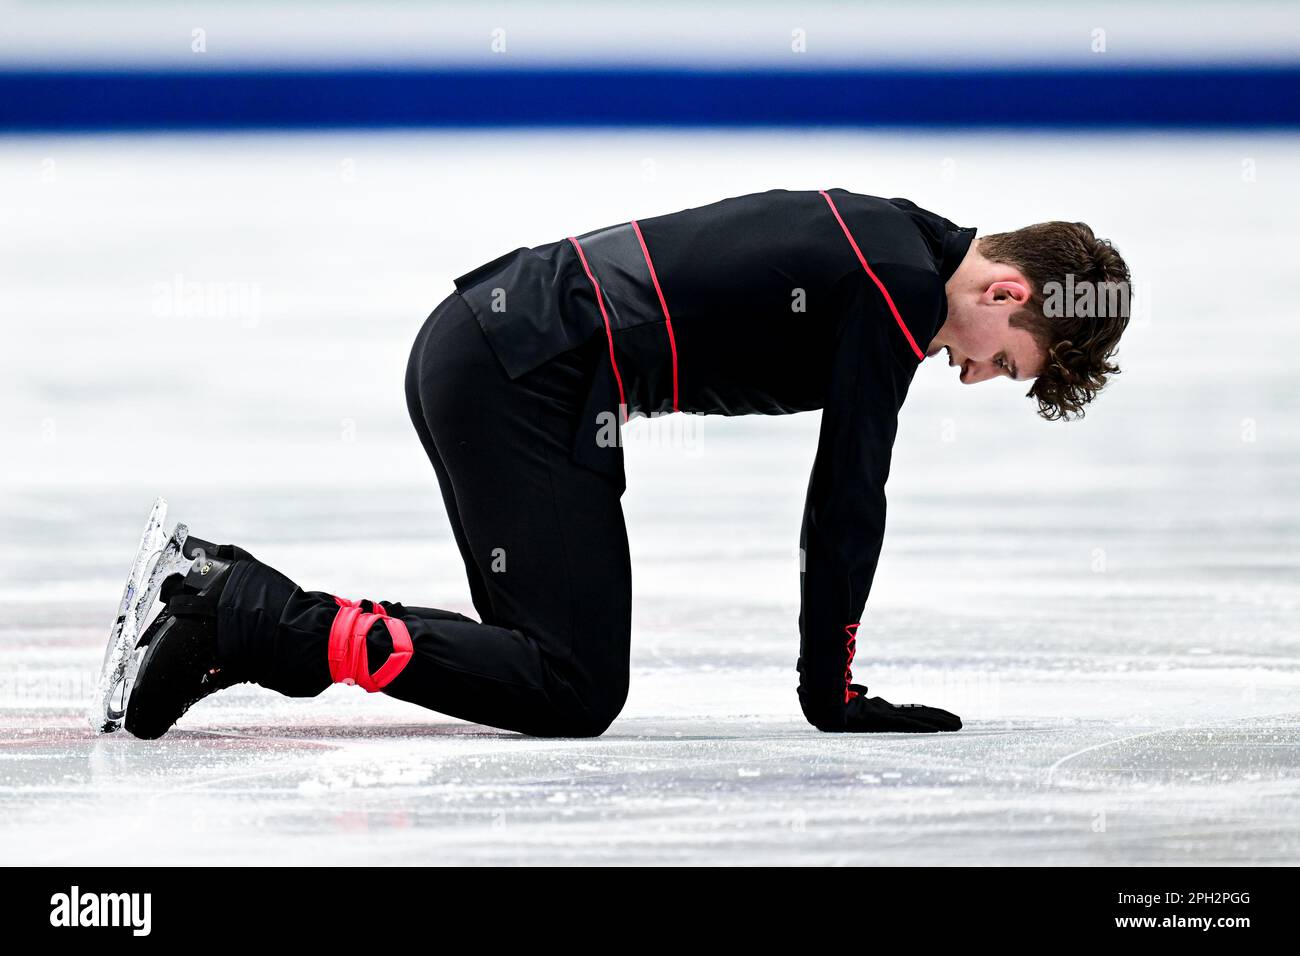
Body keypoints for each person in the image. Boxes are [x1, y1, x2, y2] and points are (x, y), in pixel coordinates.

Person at [122, 187, 1132, 740]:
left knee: (551, 664)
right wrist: (833, 692)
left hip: (501, 355)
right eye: (1002, 361)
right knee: (570, 683)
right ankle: (253, 614)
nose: (971, 374)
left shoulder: (898, 240)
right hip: (523, 370)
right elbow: (846, 497)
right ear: (1003, 292)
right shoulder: (899, 283)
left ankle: (228, 604)